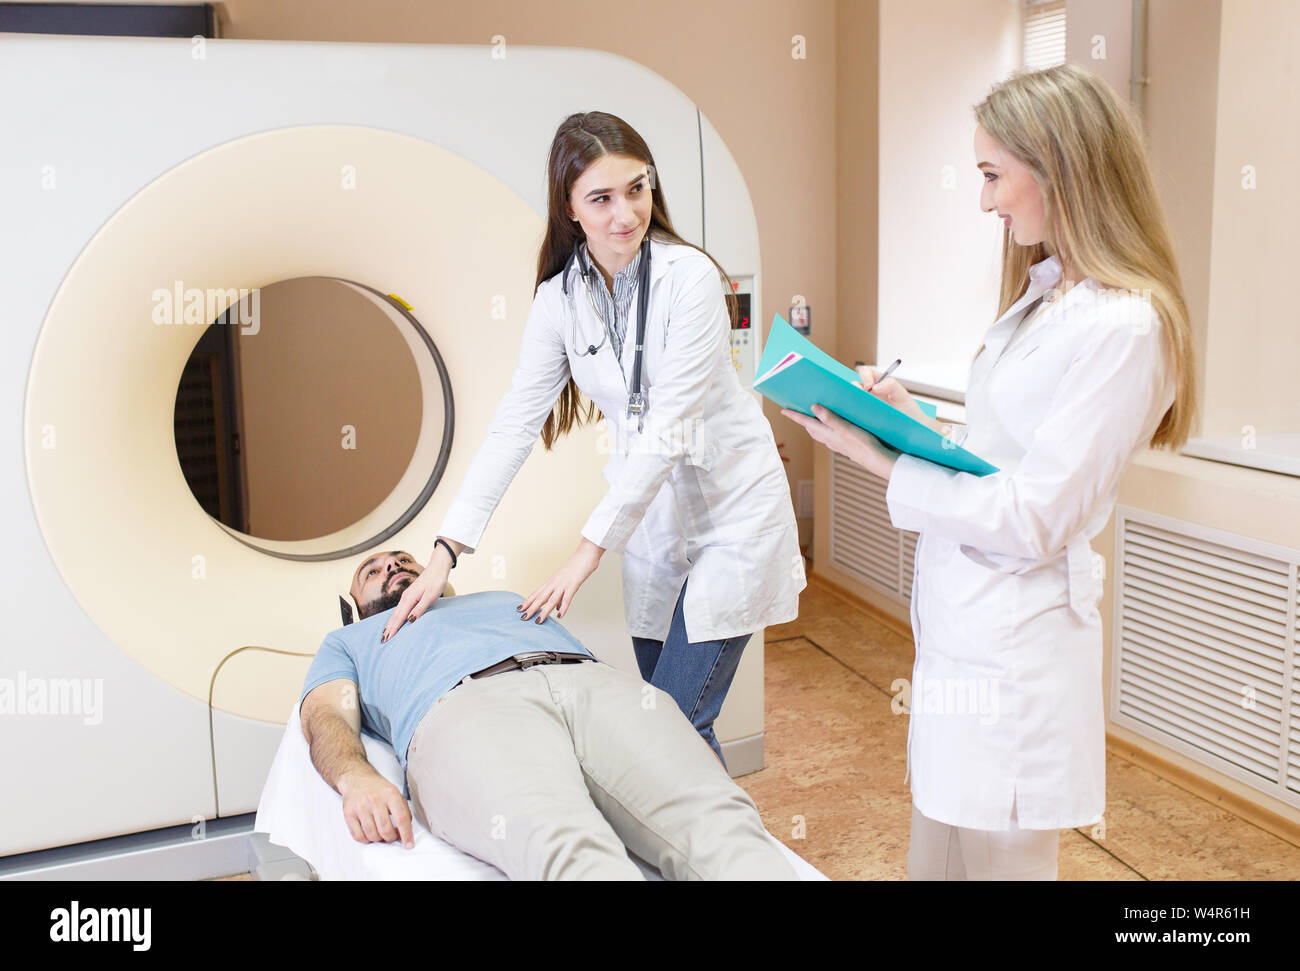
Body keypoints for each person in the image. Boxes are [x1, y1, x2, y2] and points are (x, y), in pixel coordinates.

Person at [782, 65, 1198, 880]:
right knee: (936, 857)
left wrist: (880, 457)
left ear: (1060, 167)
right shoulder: (1049, 295)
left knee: (998, 862)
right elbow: (1010, 446)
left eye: (992, 176)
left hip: (1016, 660)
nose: (985, 202)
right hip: (963, 635)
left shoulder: (1127, 327)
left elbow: (1038, 514)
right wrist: (914, 421)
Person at [383, 111, 805, 766]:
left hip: (733, 517)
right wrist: (445, 551)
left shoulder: (690, 278)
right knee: (674, 723)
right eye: (601, 199)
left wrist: (585, 553)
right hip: (655, 528)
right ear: (570, 208)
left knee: (674, 721)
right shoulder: (559, 300)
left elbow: (668, 429)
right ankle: (704, 855)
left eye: (635, 190)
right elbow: (515, 423)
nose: (624, 215)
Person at [300, 549, 799, 880]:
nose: (391, 568)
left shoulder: (502, 600)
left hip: (591, 683)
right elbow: (325, 713)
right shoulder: (350, 640)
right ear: (356, 606)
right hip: (463, 710)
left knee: (721, 819)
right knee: (568, 846)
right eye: (373, 571)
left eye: (402, 560)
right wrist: (356, 778)